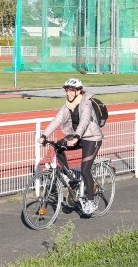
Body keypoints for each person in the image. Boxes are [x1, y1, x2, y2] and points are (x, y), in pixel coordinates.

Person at [36, 78, 103, 216]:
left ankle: (91, 202)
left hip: (92, 137)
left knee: (85, 169)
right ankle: (69, 176)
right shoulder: (68, 105)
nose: (68, 93)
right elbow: (57, 119)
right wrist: (44, 135)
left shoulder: (86, 103)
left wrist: (77, 137)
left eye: (71, 90)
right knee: (58, 146)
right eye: (67, 90)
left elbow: (84, 121)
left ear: (78, 91)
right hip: (78, 136)